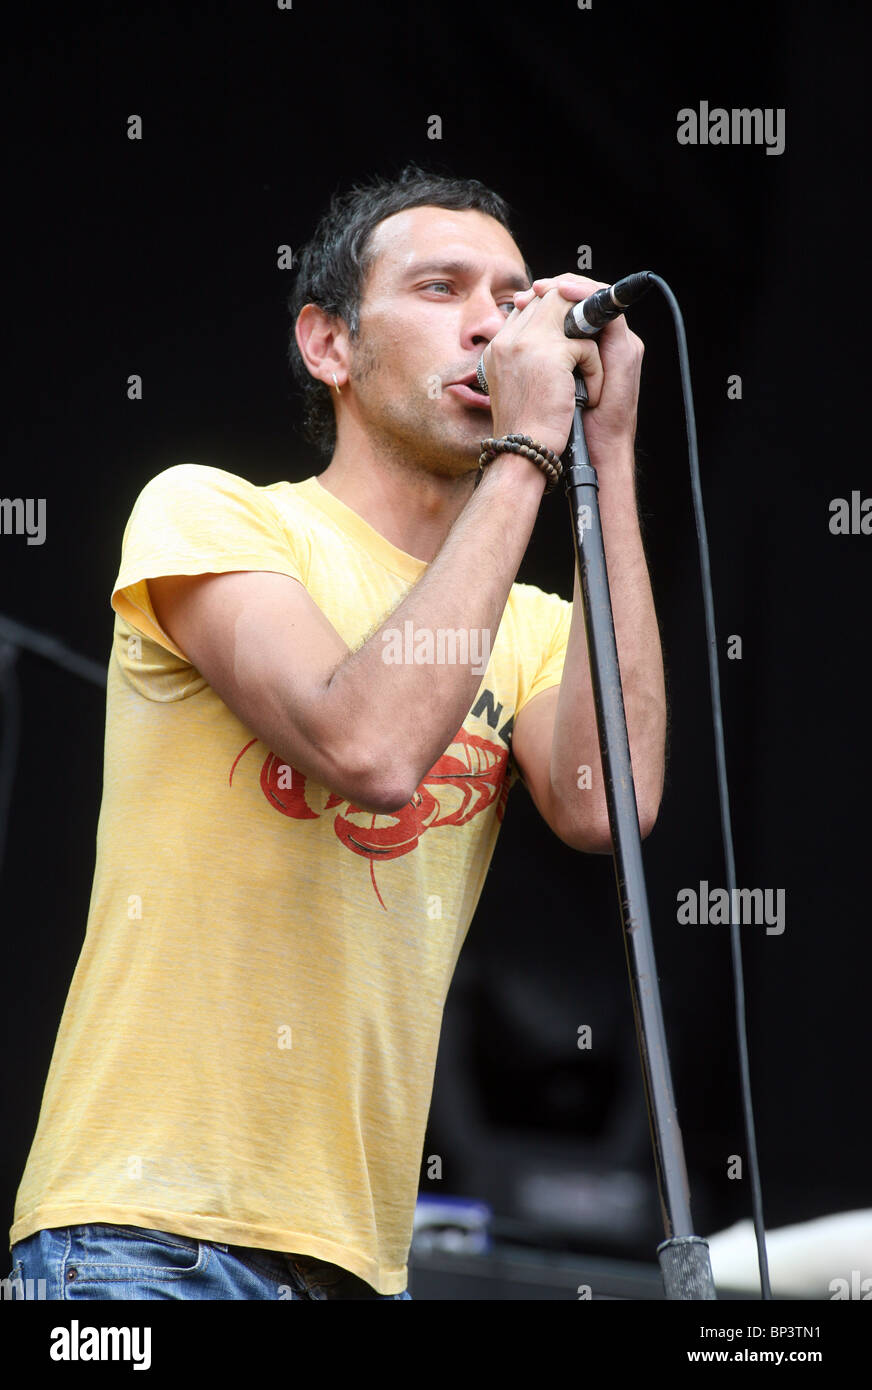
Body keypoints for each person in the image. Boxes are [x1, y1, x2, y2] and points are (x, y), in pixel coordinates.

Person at [6, 166, 666, 1300]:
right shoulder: (210, 513)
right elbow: (366, 745)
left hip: (358, 1264)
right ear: (328, 345)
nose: (490, 321)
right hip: (145, 1240)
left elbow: (611, 803)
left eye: (512, 298)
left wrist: (603, 459)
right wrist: (525, 454)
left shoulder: (527, 626)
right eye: (439, 287)